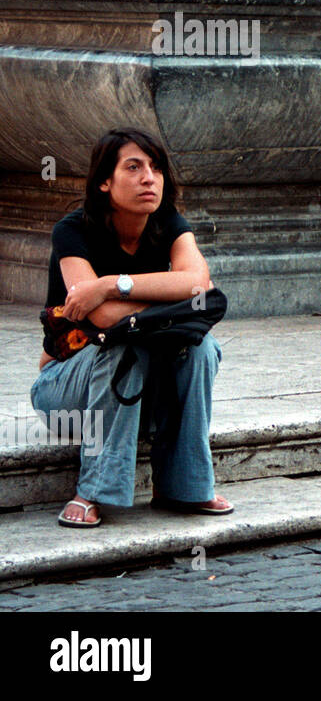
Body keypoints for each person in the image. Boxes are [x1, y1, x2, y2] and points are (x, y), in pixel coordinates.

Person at [31, 128, 231, 528]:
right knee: (120, 347)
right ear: (105, 181)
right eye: (134, 167)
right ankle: (93, 490)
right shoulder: (72, 232)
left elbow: (199, 287)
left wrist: (109, 285)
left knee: (201, 347)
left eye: (156, 169)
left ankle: (185, 487)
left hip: (141, 397)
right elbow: (105, 321)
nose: (149, 179)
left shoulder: (170, 223)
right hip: (66, 393)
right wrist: (170, 299)